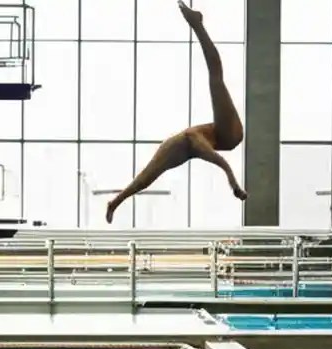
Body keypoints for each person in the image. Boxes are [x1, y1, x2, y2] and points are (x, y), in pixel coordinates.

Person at [105, 1, 247, 224]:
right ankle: (114, 203)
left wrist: (233, 181)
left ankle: (197, 25)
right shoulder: (192, 141)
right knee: (146, 178)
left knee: (216, 79)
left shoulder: (217, 137)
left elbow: (218, 159)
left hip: (213, 137)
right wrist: (233, 182)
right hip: (192, 143)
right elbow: (217, 160)